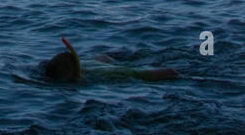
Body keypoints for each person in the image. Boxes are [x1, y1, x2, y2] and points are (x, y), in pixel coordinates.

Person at [42, 36, 178, 83]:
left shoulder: (108, 74)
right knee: (102, 57)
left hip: (111, 70)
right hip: (94, 63)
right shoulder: (77, 64)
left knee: (168, 72)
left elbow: (171, 72)